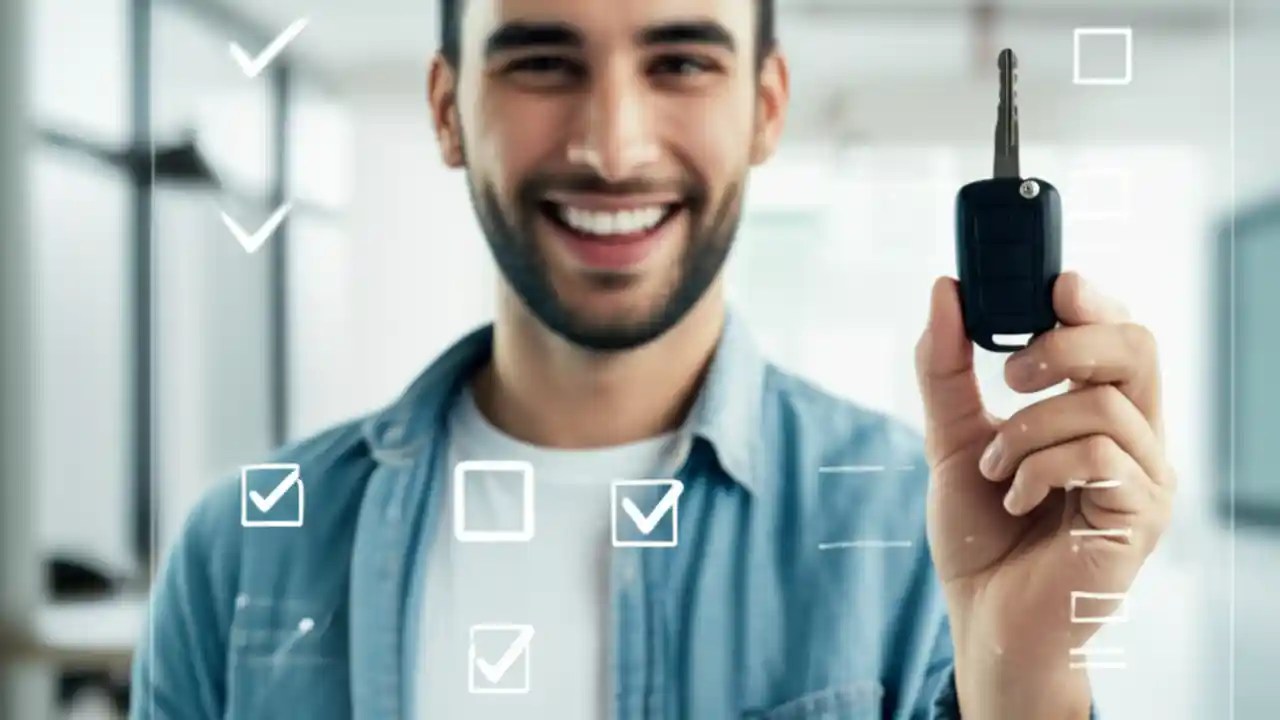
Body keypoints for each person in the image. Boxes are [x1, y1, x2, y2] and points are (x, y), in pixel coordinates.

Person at [131, 0, 1175, 717]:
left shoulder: (916, 534)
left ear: (765, 106)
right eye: (542, 61)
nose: (612, 145)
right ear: (448, 109)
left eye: (678, 62)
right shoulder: (240, 553)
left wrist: (1023, 683)